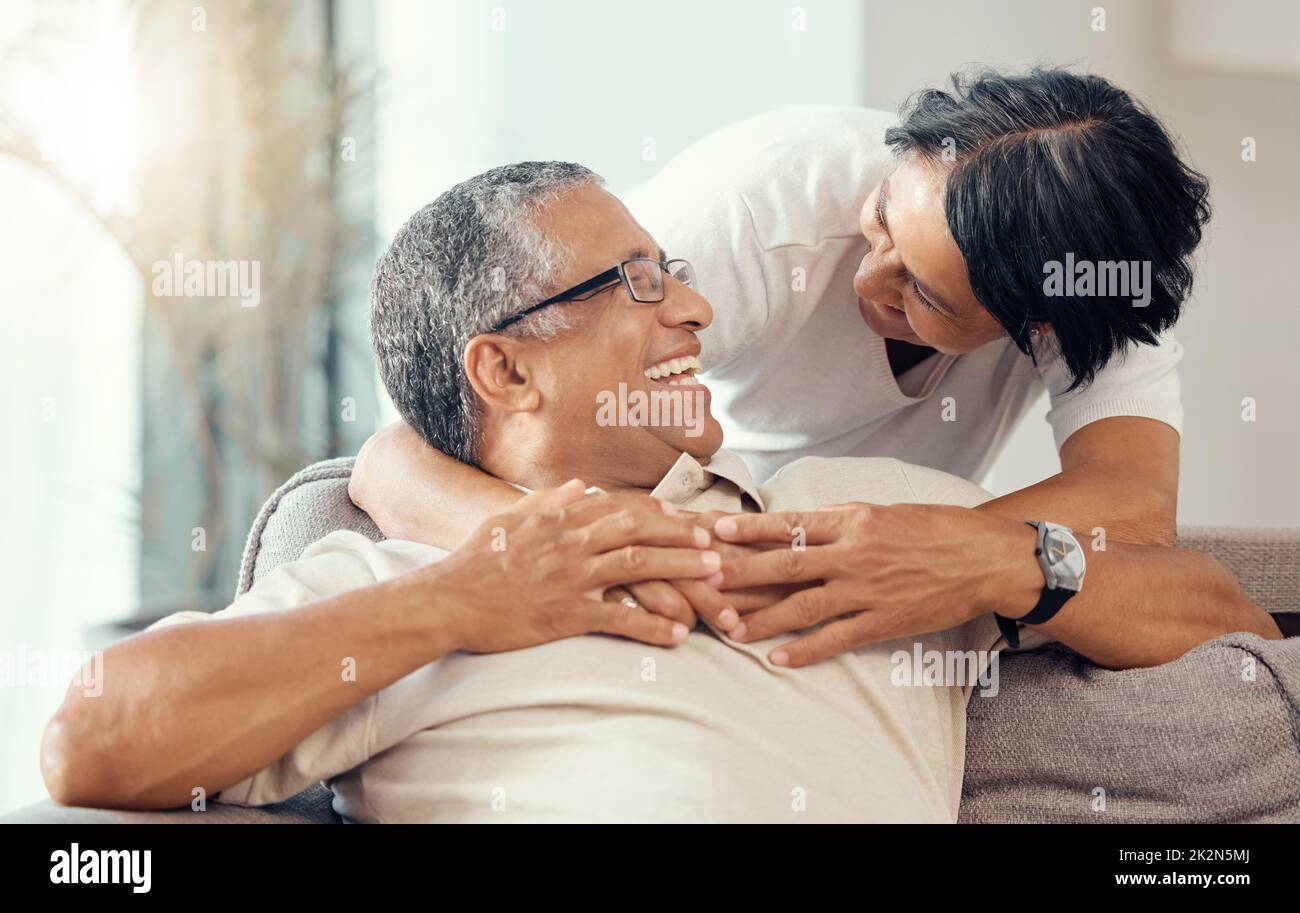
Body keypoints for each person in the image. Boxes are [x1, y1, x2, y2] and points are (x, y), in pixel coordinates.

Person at [40, 163, 1277, 823]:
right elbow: (87, 742)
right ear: (505, 365)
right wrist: (465, 599)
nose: (693, 307)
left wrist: (1010, 566)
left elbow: (1222, 611)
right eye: (634, 283)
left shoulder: (863, 513)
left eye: (674, 271)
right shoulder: (397, 581)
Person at [351, 69, 1209, 659]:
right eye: (881, 218)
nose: (870, 281)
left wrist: (942, 554)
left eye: (924, 297)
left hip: (862, 562)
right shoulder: (749, 215)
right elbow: (423, 436)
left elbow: (1132, 508)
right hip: (717, 529)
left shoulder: (1096, 282)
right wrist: (627, 568)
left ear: (1040, 327)